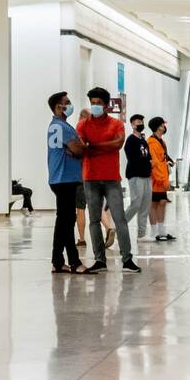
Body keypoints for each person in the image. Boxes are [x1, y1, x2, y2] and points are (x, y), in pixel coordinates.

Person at [77, 87, 141, 273]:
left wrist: (93, 146)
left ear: (106, 105)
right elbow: (82, 146)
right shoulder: (83, 125)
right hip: (90, 177)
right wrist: (103, 147)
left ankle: (127, 259)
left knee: (120, 219)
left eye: (98, 103)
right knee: (94, 220)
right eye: (93, 103)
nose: (95, 106)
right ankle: (100, 260)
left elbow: (118, 144)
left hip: (112, 178)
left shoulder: (116, 124)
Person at [47, 92, 90, 274]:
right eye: (66, 102)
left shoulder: (57, 125)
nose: (69, 105)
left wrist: (79, 147)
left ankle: (57, 261)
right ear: (58, 106)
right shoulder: (62, 127)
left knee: (63, 220)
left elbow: (78, 148)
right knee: (67, 222)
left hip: (61, 178)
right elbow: (79, 149)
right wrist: (81, 147)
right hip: (64, 178)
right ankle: (74, 262)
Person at [123, 113, 152, 242]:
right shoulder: (130, 140)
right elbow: (132, 158)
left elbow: (148, 156)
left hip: (146, 176)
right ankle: (119, 227)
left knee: (145, 204)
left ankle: (141, 234)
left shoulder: (143, 140)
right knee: (136, 203)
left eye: (141, 121)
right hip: (135, 175)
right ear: (132, 125)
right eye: (137, 121)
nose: (140, 123)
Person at [148, 115, 176, 241]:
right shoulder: (151, 143)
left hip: (162, 178)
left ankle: (161, 230)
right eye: (163, 124)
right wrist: (163, 181)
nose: (164, 127)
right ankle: (154, 232)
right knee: (153, 203)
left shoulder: (161, 142)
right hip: (155, 180)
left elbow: (163, 159)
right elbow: (155, 164)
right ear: (158, 127)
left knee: (162, 203)